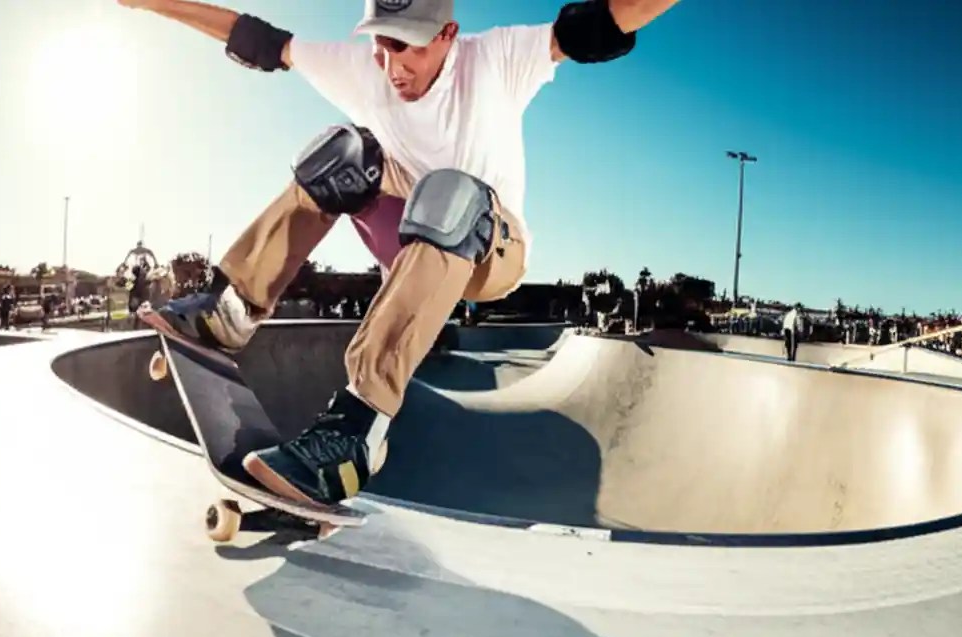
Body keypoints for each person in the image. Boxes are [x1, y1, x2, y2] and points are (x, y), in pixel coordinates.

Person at [123, 0, 682, 511]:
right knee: (340, 154)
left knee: (450, 193)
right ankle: (232, 309)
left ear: (447, 35)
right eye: (381, 45)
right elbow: (259, 39)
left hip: (491, 250)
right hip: (408, 232)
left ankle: (356, 431)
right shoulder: (367, 68)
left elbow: (601, 24)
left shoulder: (497, 59)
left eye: (407, 47)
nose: (392, 66)